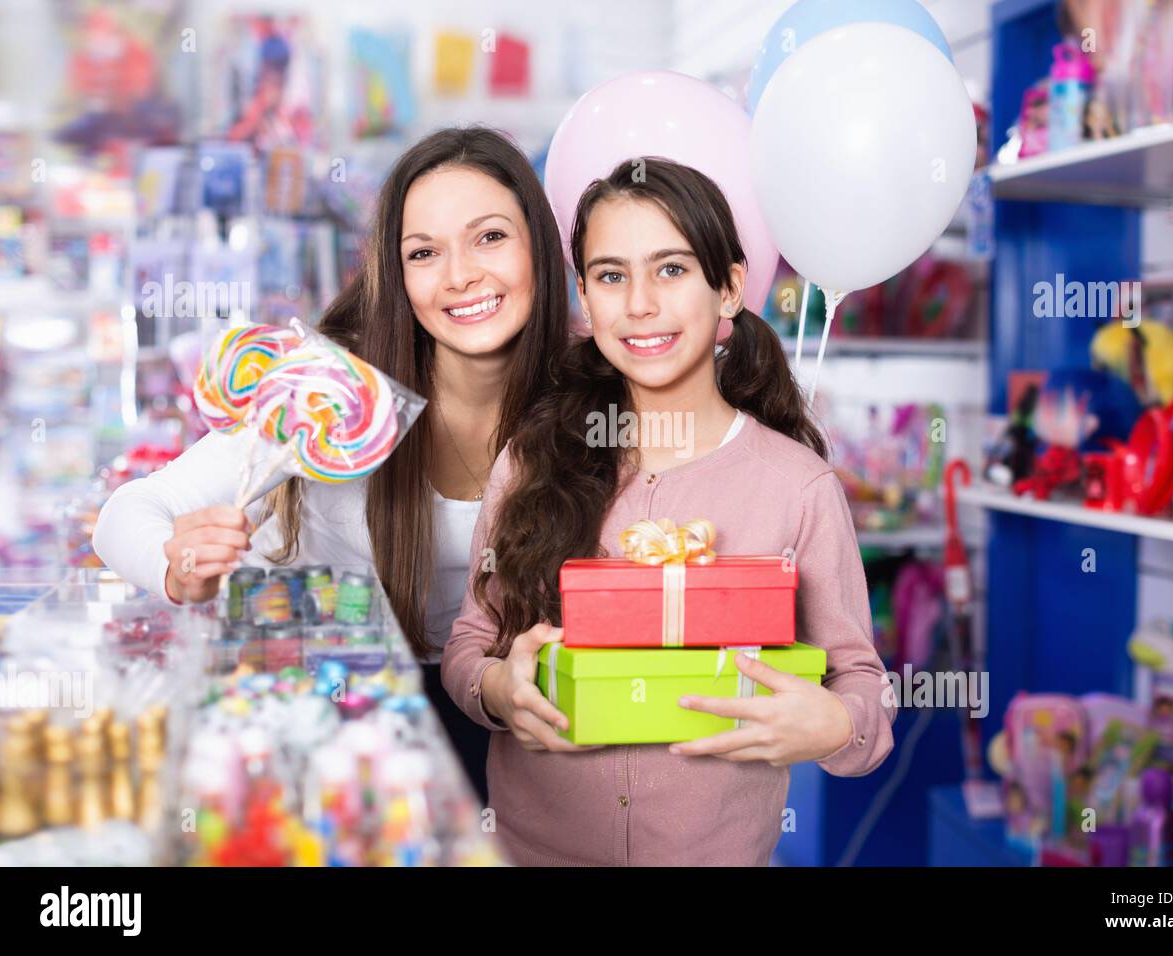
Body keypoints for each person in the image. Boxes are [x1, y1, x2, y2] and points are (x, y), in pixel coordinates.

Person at [92, 126, 572, 802]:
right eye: (424, 252)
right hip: (338, 711)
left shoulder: (588, 398)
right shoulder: (330, 392)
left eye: (490, 237)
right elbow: (124, 514)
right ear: (396, 274)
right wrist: (177, 567)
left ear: (539, 247)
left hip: (515, 713)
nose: (462, 274)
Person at [442, 158, 895, 865]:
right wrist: (498, 688)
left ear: (730, 289)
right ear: (586, 302)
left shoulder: (798, 487)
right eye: (612, 275)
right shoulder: (531, 461)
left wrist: (838, 724)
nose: (641, 304)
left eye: (673, 270)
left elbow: (860, 681)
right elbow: (471, 641)